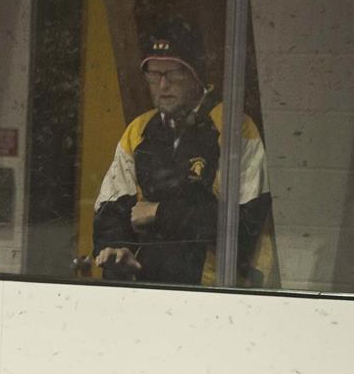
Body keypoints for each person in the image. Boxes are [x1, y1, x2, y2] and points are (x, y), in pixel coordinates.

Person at [92, 19, 277, 287]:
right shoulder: (139, 130)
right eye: (154, 76)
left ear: (197, 76)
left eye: (174, 74)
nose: (163, 86)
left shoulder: (234, 127)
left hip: (215, 291)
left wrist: (160, 212)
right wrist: (115, 249)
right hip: (147, 286)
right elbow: (110, 207)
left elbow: (242, 224)